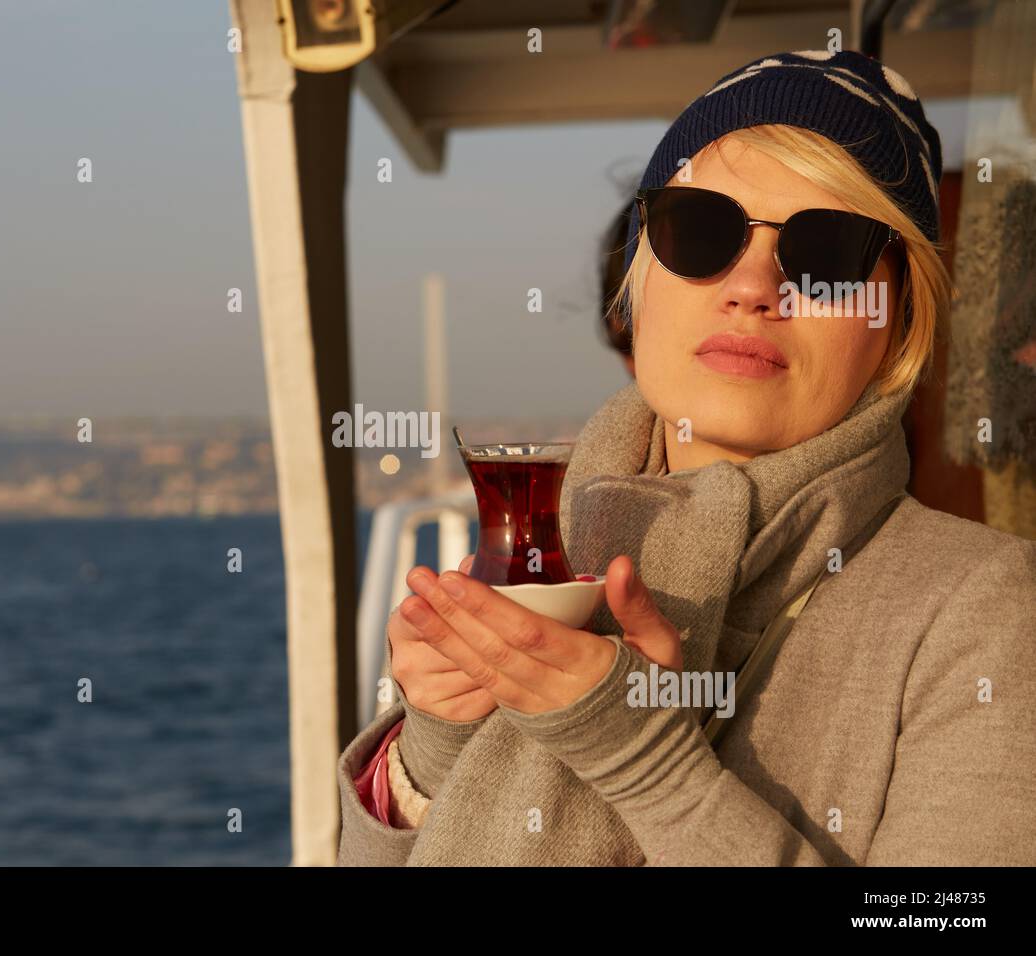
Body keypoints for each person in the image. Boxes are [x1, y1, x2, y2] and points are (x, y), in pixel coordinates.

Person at [335, 49, 1036, 867]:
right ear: (640, 277)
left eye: (828, 252)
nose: (752, 284)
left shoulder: (986, 611)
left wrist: (643, 762)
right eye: (700, 230)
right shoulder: (550, 567)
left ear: (897, 324)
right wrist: (432, 747)